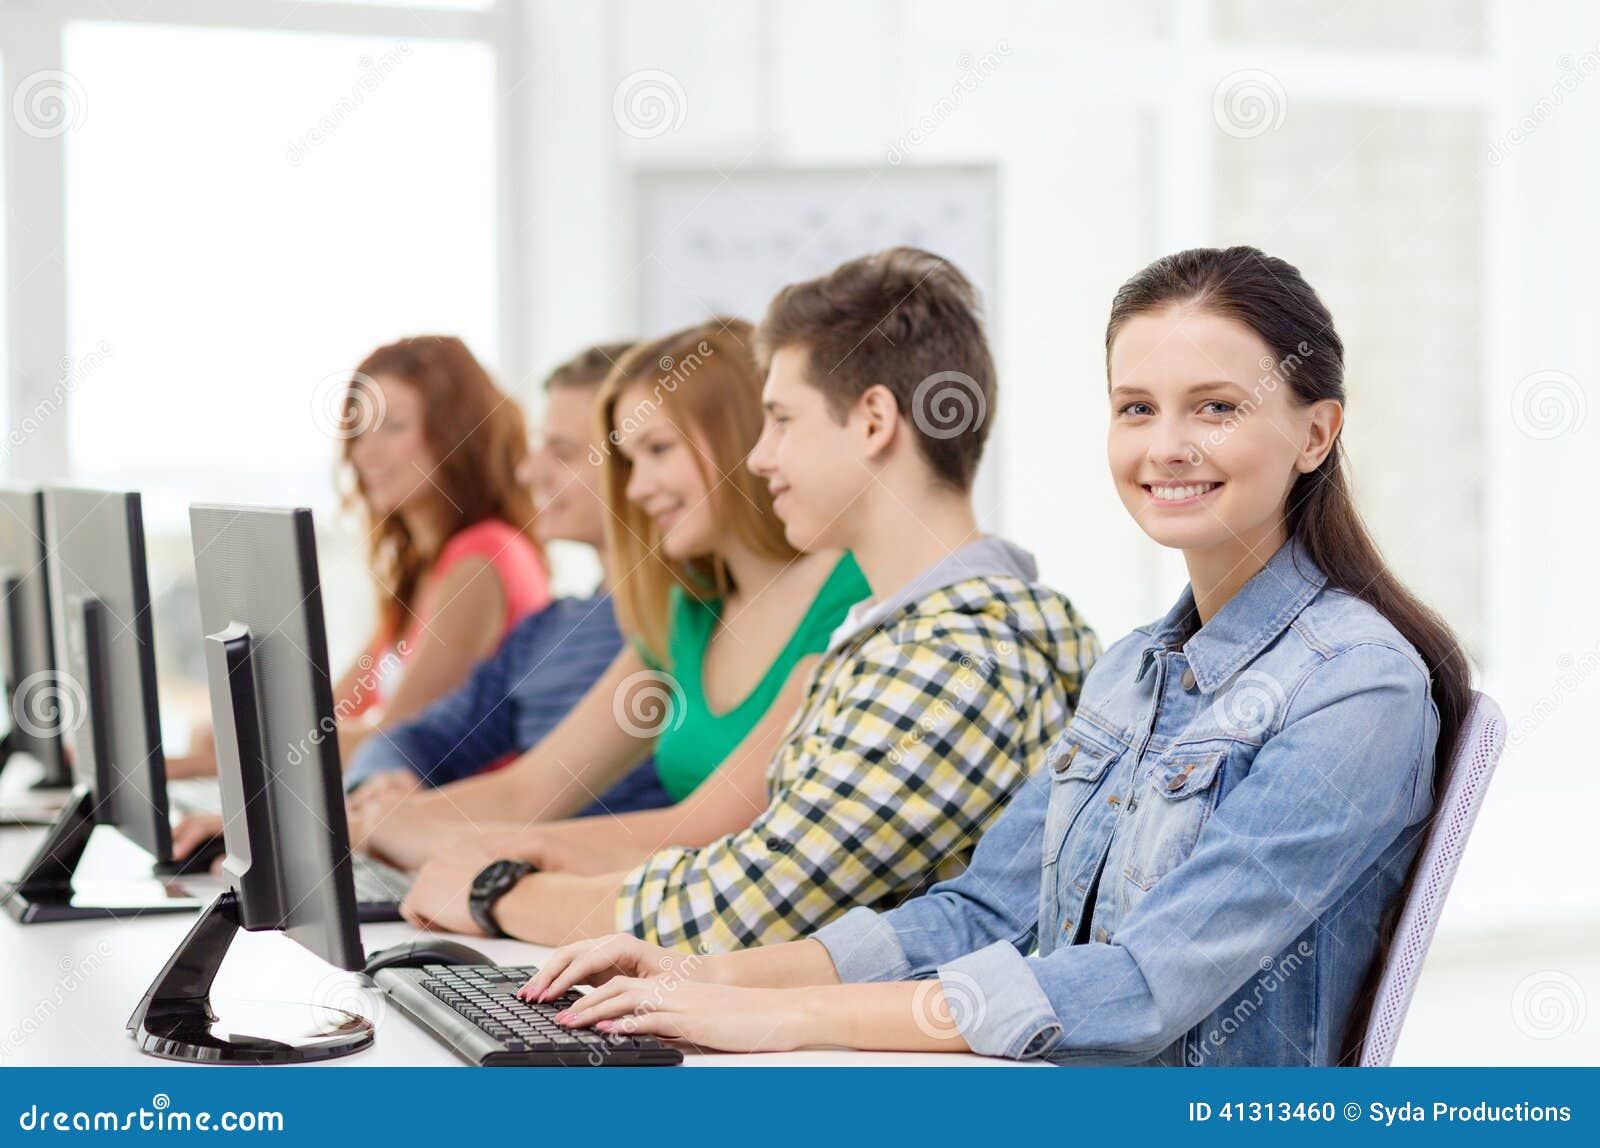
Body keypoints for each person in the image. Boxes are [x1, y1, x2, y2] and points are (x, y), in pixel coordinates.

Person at [517, 246, 1472, 1068]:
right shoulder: (1132, 671)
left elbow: (1139, 986)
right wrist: (700, 975)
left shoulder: (1357, 685)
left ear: (1318, 432)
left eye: (1215, 407)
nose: (1166, 445)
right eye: (1136, 408)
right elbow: (978, 912)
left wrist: (774, 1011)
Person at [394, 247, 1099, 951]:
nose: (759, 459)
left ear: (875, 422)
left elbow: (739, 904)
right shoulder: (887, 638)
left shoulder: (955, 657)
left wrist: (500, 892)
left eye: (783, 420)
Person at [347, 317, 872, 871]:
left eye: (660, 450)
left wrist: (457, 850)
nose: (639, 488)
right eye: (628, 462)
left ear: (741, 435)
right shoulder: (688, 611)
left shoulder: (849, 597)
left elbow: (700, 831)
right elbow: (529, 792)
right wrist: (373, 821)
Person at [171, 341, 667, 859]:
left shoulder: (656, 624)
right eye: (358, 430)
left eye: (562, 452)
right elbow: (397, 737)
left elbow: (526, 796)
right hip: (472, 866)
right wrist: (373, 799)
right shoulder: (548, 629)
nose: (366, 452)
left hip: (511, 879)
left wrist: (262, 787)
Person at [166, 335, 550, 778]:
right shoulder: (424, 569)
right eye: (359, 429)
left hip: (445, 828)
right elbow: (327, 718)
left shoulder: (481, 561)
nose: (366, 451)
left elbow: (394, 743)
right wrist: (212, 747)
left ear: (456, 434)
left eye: (394, 427)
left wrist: (234, 746)